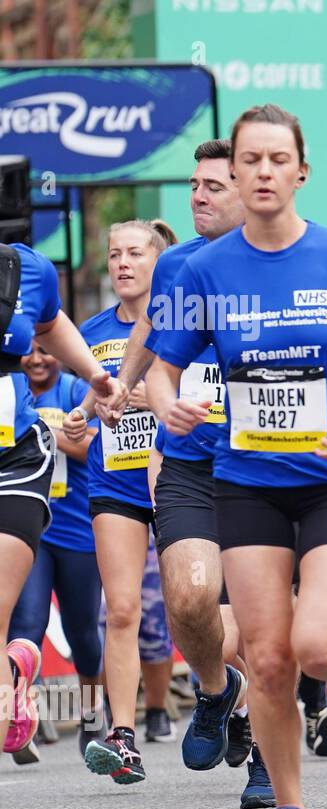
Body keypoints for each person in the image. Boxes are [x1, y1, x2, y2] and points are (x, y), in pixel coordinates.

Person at [147, 104, 327, 809]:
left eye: (276, 160)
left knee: (317, 640)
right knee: (265, 659)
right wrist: (172, 406)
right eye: (249, 161)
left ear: (301, 172)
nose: (263, 173)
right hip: (248, 480)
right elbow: (163, 370)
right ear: (234, 172)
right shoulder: (203, 269)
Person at [111, 139, 261, 800]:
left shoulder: (284, 263)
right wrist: (120, 385)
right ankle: (214, 688)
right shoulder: (175, 264)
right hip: (192, 462)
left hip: (264, 462)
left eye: (212, 186)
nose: (196, 195)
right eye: (193, 184)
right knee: (191, 597)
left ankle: (261, 752)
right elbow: (153, 332)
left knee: (260, 620)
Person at [0, 240, 120, 765]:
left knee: (78, 630)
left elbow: (51, 324)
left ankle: (88, 707)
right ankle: (15, 674)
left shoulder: (26, 268)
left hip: (18, 463)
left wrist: (95, 375)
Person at [74, 219, 174, 784]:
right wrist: (82, 414)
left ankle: (232, 703)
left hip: (178, 480)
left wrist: (153, 397)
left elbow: (200, 398)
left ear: (158, 262)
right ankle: (123, 736)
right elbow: (91, 397)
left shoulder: (181, 324)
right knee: (122, 609)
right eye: (114, 255)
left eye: (135, 253)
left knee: (195, 608)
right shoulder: (90, 329)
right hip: (114, 484)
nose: (122, 264)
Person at [9, 344, 102, 761]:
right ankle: (17, 716)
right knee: (26, 624)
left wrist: (46, 435)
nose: (37, 359)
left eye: (46, 351)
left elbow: (91, 448)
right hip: (30, 530)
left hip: (77, 529)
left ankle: (91, 712)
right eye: (28, 352)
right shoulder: (8, 393)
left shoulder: (73, 391)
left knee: (84, 633)